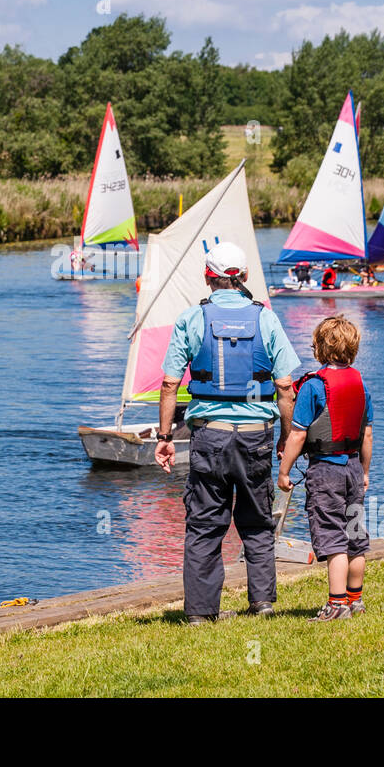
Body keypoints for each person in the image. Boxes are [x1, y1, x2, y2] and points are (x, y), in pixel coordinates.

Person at [154, 241, 301, 623]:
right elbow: (285, 385)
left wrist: (165, 437)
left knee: (204, 524)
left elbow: (170, 384)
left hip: (209, 436)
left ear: (208, 277)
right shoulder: (265, 318)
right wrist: (286, 436)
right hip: (255, 435)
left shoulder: (191, 318)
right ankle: (263, 603)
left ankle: (201, 614)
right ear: (246, 277)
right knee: (256, 520)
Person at [277, 315, 374, 621]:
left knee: (333, 538)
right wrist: (366, 471)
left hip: (325, 471)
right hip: (353, 468)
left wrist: (284, 470)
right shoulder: (360, 383)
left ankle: (337, 604)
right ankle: (356, 599)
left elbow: (298, 433)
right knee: (355, 534)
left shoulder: (313, 387)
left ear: (318, 347)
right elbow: (367, 433)